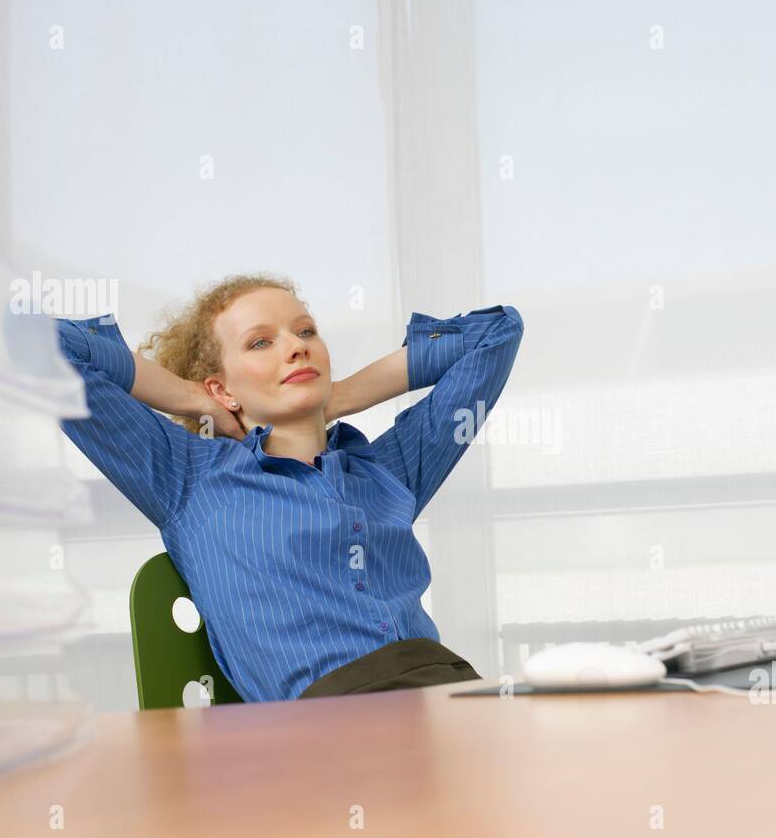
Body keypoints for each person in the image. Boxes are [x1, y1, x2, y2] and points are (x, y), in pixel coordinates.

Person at [53, 273, 523, 701]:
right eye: (260, 343)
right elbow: (41, 343)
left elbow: (497, 333)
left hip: (448, 693)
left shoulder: (388, 470)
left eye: (305, 332)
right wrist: (193, 398)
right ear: (223, 388)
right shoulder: (189, 477)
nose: (296, 348)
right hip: (326, 727)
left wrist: (344, 393)